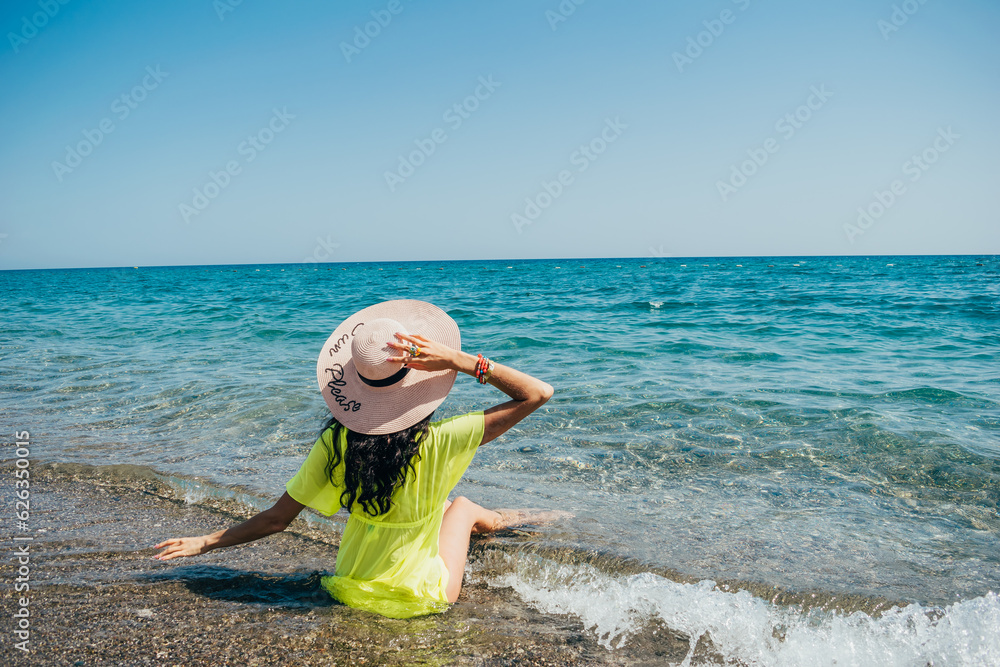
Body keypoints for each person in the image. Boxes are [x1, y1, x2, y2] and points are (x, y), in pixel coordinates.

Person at [152, 299, 556, 618]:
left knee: (442, 505)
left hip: (348, 586)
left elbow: (277, 519)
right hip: (425, 596)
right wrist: (461, 360)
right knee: (462, 506)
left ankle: (513, 520)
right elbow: (537, 392)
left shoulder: (336, 444)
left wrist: (203, 543)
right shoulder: (444, 440)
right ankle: (529, 521)